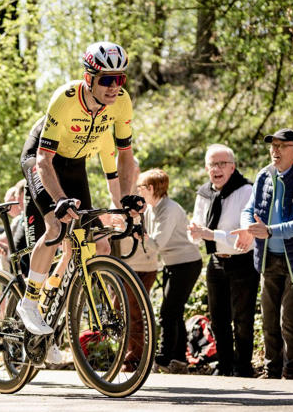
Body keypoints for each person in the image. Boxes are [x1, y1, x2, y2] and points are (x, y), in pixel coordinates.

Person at [18, 41, 137, 338]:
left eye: (119, 79)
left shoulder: (121, 102)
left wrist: (125, 199)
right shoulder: (65, 99)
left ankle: (54, 303)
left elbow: (125, 156)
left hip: (75, 164)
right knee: (56, 227)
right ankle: (29, 302)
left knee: (98, 244)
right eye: (107, 80)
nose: (114, 87)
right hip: (41, 158)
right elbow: (44, 160)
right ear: (89, 78)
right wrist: (58, 200)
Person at [232, 128, 293, 380]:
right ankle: (272, 370)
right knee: (270, 318)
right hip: (267, 258)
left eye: (282, 146)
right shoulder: (264, 175)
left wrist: (269, 230)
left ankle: (292, 370)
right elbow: (249, 209)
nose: (275, 150)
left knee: (289, 319)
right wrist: (249, 229)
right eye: (273, 145)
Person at [189, 144, 258, 377]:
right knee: (218, 319)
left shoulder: (246, 191)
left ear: (233, 167)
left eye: (221, 164)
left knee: (242, 318)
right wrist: (195, 233)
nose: (216, 169)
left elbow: (243, 237)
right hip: (216, 262)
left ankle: (243, 366)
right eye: (212, 165)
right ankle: (224, 364)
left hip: (242, 262)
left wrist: (209, 234)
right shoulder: (204, 193)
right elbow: (197, 229)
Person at [138, 169, 202, 374]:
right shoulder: (152, 208)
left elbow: (156, 243)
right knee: (175, 312)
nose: (137, 191)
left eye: (140, 187)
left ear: (150, 188)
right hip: (172, 264)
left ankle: (164, 357)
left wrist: (136, 233)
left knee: (168, 312)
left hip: (186, 264)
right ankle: (179, 358)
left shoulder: (169, 209)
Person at [118, 159, 161, 372]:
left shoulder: (141, 198)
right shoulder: (115, 193)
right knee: (121, 310)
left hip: (142, 265)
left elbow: (148, 236)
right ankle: (126, 356)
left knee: (135, 312)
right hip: (121, 264)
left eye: (132, 169)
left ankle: (134, 359)